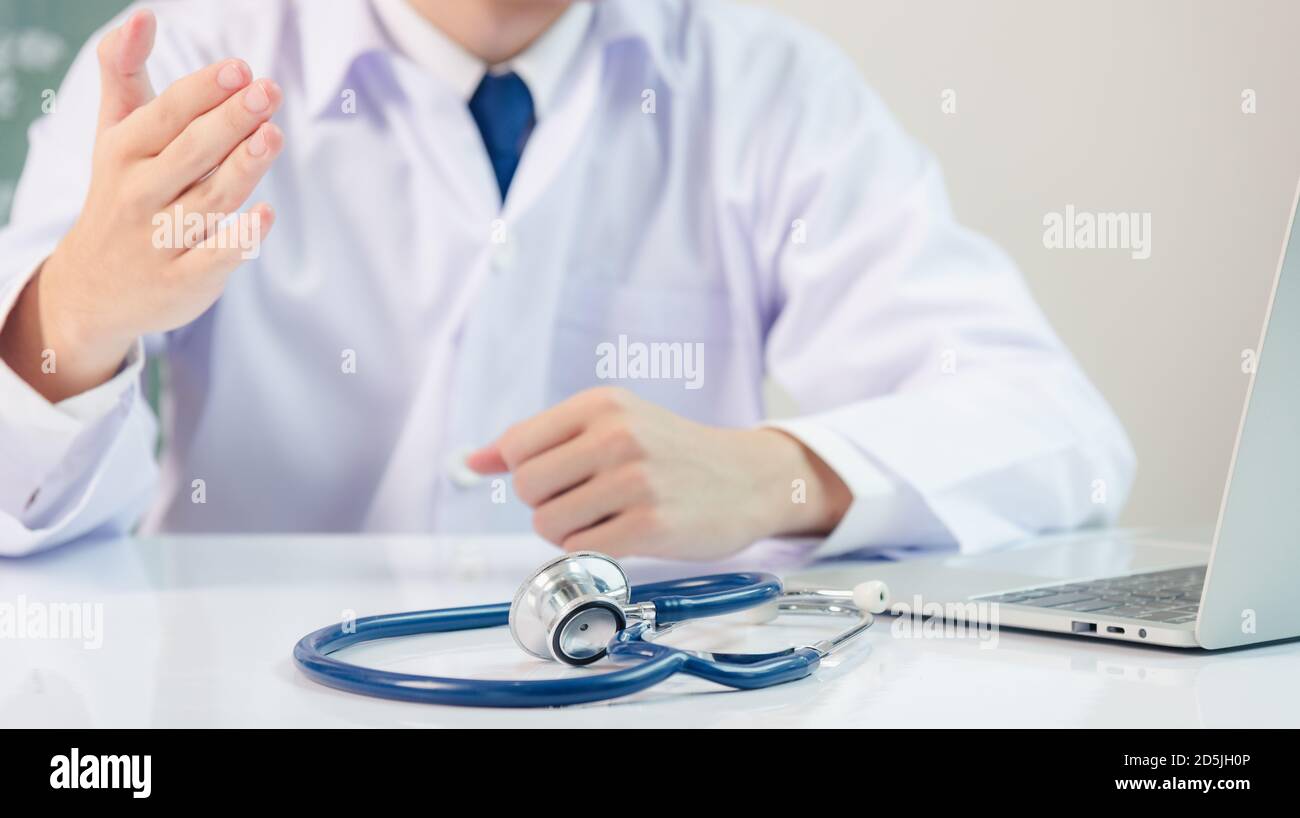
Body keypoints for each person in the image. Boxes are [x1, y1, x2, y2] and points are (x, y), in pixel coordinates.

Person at [0, 0, 1134, 561]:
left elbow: (1058, 430)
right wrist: (74, 316)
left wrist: (776, 474)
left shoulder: (765, 82)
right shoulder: (183, 60)